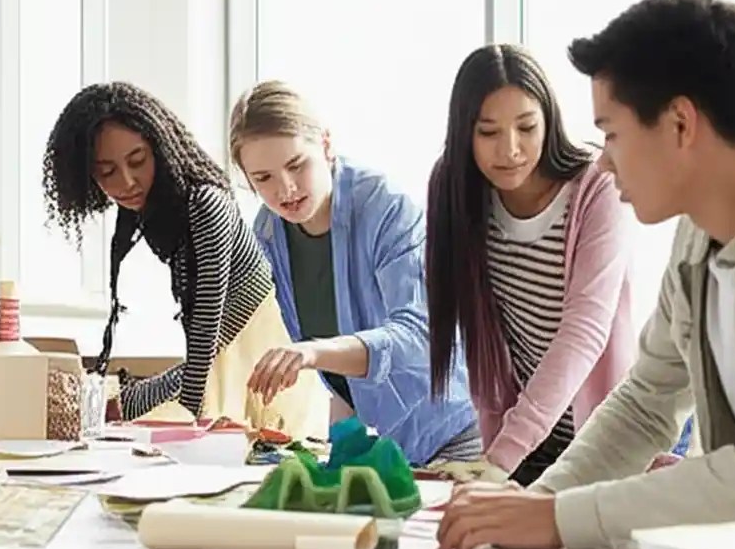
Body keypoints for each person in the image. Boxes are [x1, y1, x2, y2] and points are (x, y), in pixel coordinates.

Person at [438, 0, 735, 549]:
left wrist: (559, 516)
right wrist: (535, 508)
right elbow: (644, 406)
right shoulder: (696, 241)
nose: (602, 159)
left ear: (680, 124)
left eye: (611, 133)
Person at [43, 82, 329, 438]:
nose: (127, 182)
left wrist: (142, 407)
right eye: (107, 172)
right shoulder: (153, 211)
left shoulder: (206, 204)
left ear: (159, 148)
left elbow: (208, 335)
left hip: (260, 355)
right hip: (227, 353)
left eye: (137, 161)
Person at [228, 80, 478, 466]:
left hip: (455, 436)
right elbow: (346, 377)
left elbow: (420, 334)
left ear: (325, 145)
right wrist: (343, 448)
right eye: (263, 178)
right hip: (387, 449)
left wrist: (311, 352)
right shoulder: (269, 232)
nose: (286, 188)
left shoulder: (384, 207)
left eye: (296, 165)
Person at [426, 44, 636, 486]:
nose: (511, 150)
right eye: (488, 132)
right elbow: (483, 348)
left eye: (526, 127)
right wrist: (497, 457)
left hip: (607, 440)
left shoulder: (595, 188)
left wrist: (502, 455)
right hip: (526, 446)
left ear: (549, 120)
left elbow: (584, 332)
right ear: (464, 132)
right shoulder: (456, 190)